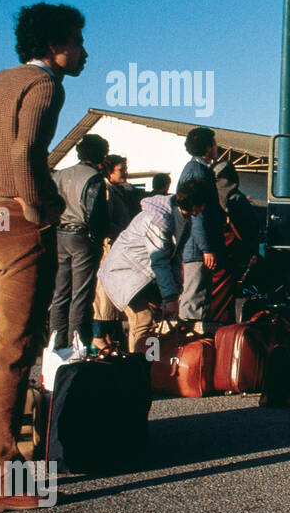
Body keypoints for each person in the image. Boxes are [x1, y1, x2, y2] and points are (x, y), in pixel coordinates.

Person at [0, 2, 86, 513]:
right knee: (14, 346)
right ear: (56, 47)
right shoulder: (47, 86)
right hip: (16, 222)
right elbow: (25, 150)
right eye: (78, 41)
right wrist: (40, 208)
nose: (84, 52)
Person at [98, 180, 214, 353]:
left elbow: (175, 259)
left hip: (144, 275)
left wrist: (175, 293)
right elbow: (160, 260)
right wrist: (170, 298)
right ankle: (138, 367)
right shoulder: (157, 220)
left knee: (154, 321)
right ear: (196, 204)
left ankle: (150, 367)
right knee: (142, 320)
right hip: (125, 273)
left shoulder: (184, 219)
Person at [49, 132, 109, 350]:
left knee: (61, 291)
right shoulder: (93, 178)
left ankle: (55, 340)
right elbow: (96, 213)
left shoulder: (59, 175)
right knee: (81, 294)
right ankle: (77, 343)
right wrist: (98, 237)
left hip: (59, 234)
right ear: (102, 155)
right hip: (83, 236)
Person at [176, 127, 227, 330]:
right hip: (197, 249)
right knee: (194, 300)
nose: (216, 147)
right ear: (208, 147)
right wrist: (206, 248)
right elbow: (197, 215)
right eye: (214, 143)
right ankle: (188, 344)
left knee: (200, 298)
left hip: (199, 246)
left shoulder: (199, 169)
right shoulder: (196, 172)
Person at [92, 154, 140, 348]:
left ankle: (107, 336)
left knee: (111, 295)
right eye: (122, 169)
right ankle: (98, 336)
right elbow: (105, 221)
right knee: (103, 295)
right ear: (109, 171)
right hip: (109, 247)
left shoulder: (118, 191)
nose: (126, 173)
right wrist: (122, 233)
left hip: (118, 248)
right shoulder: (105, 192)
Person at [211, 153, 257, 316]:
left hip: (212, 257)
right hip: (233, 257)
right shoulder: (238, 199)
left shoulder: (209, 197)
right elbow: (250, 230)